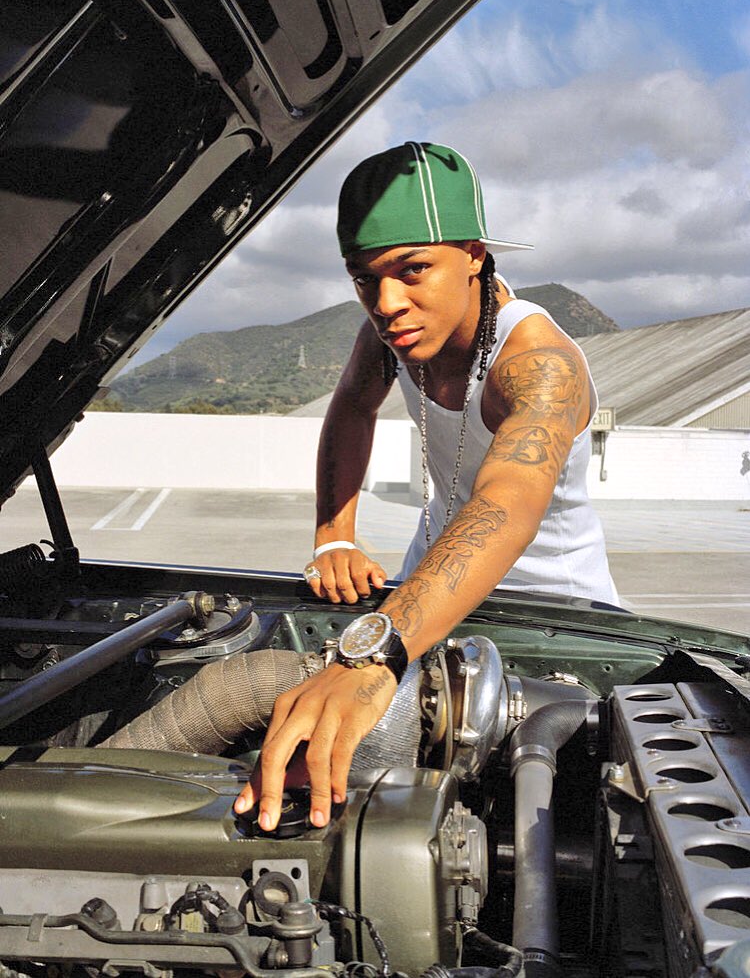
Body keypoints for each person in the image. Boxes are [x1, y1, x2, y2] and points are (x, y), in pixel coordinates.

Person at [234, 141, 618, 830]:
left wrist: (373, 655)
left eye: (413, 270)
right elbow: (352, 405)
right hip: (427, 580)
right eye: (365, 279)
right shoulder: (392, 335)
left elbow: (506, 502)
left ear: (473, 254)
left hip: (552, 611)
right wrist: (333, 537)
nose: (386, 304)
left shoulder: (540, 362)